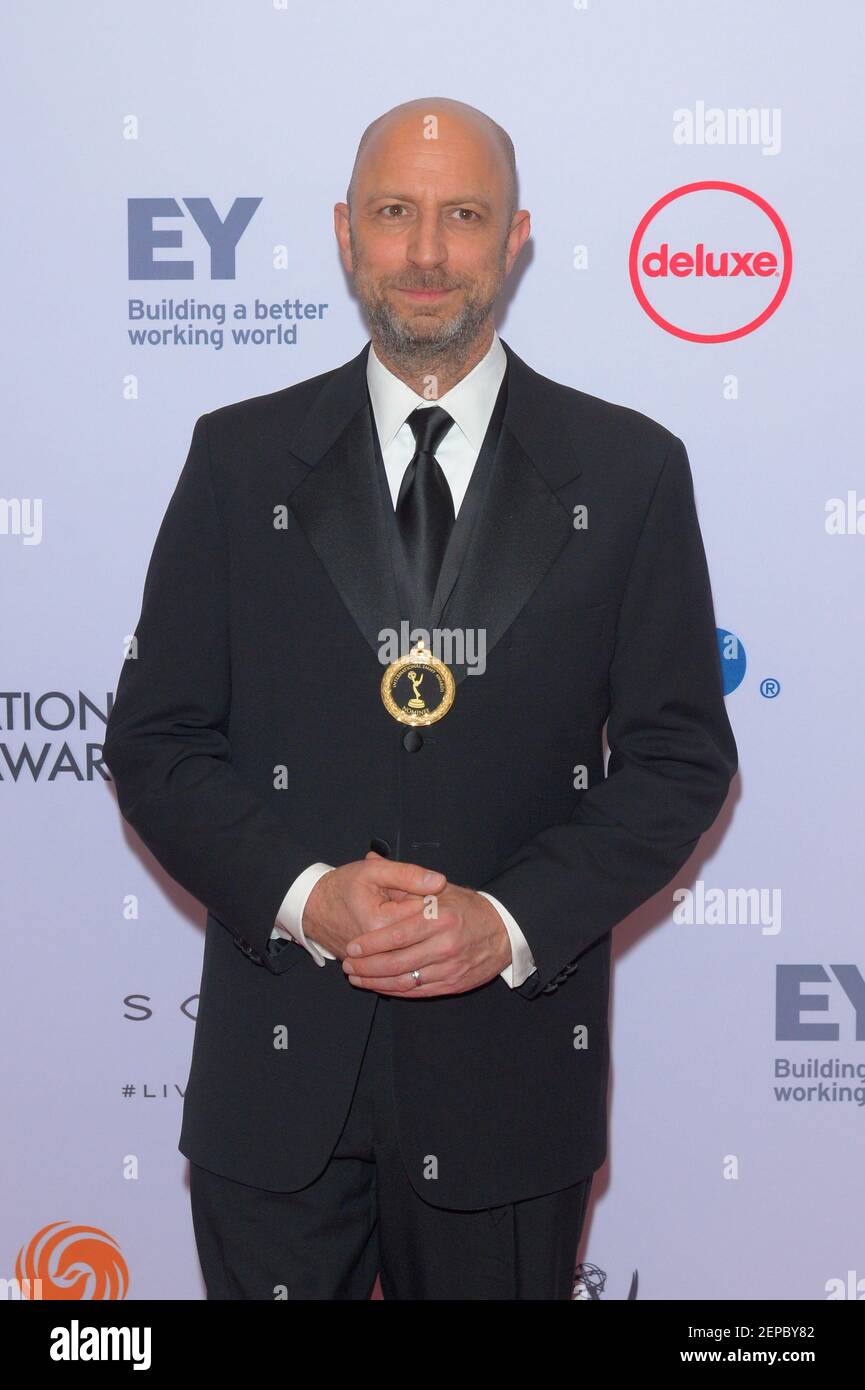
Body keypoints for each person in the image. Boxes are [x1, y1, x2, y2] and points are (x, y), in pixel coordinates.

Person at [103, 96, 738, 1300]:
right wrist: (308, 895)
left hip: (508, 1089)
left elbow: (678, 760)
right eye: (396, 214)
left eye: (463, 217)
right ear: (346, 233)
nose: (429, 253)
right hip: (276, 1094)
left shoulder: (630, 470)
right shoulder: (238, 461)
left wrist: (504, 922)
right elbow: (158, 739)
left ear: (517, 239)